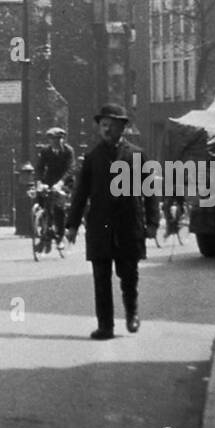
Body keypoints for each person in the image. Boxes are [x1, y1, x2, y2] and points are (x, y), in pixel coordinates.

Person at [66, 103, 159, 339]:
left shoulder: (136, 155)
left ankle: (132, 313)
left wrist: (152, 222)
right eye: (103, 125)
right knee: (101, 278)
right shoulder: (92, 158)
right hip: (100, 226)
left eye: (112, 125)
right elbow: (80, 193)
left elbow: (149, 192)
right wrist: (72, 225)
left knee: (129, 274)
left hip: (128, 224)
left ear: (122, 128)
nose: (106, 130)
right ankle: (105, 325)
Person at [36, 126, 74, 243]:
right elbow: (40, 167)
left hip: (65, 181)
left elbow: (70, 169)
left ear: (62, 140)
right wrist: (39, 182)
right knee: (41, 196)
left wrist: (61, 183)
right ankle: (44, 224)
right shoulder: (45, 151)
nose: (56, 142)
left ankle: (60, 235)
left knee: (59, 207)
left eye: (58, 139)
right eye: (53, 140)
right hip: (50, 180)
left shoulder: (68, 151)